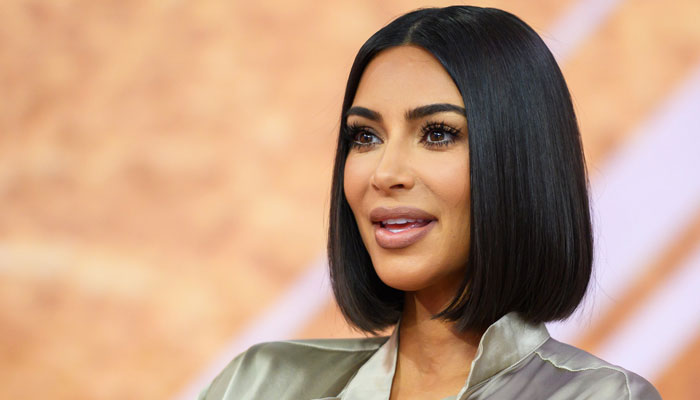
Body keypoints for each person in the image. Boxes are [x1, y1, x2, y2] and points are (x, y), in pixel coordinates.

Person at [199, 6, 661, 400]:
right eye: (366, 136)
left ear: (520, 161)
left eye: (437, 133)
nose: (385, 173)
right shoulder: (260, 383)